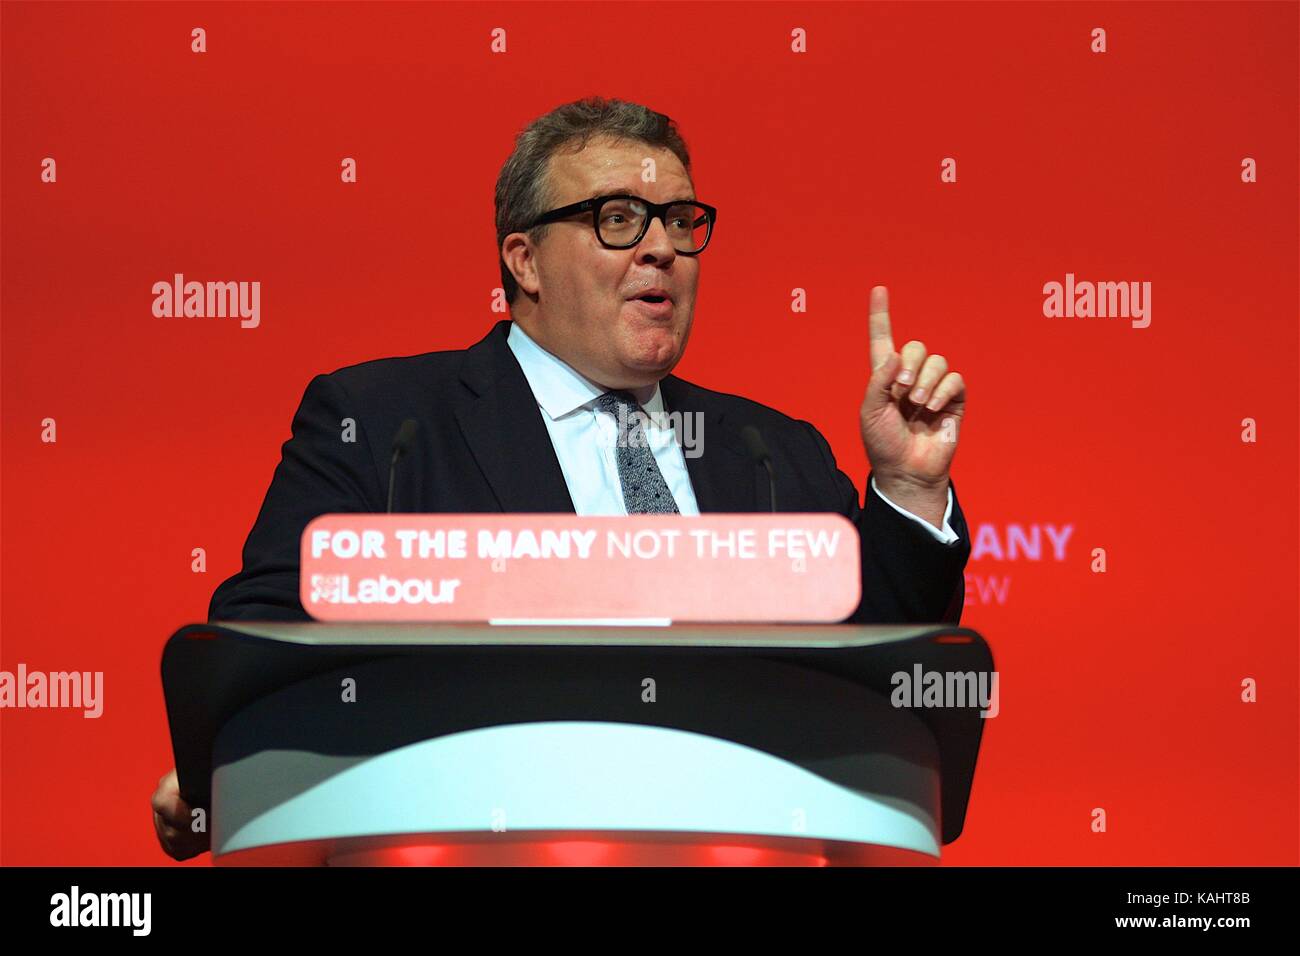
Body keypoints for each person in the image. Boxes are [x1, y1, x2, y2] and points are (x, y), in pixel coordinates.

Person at [154, 96, 971, 860]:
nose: (661, 248)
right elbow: (262, 643)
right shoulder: (387, 427)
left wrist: (908, 489)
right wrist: (224, 767)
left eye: (681, 222)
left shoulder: (769, 450)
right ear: (525, 260)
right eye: (618, 219)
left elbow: (884, 687)